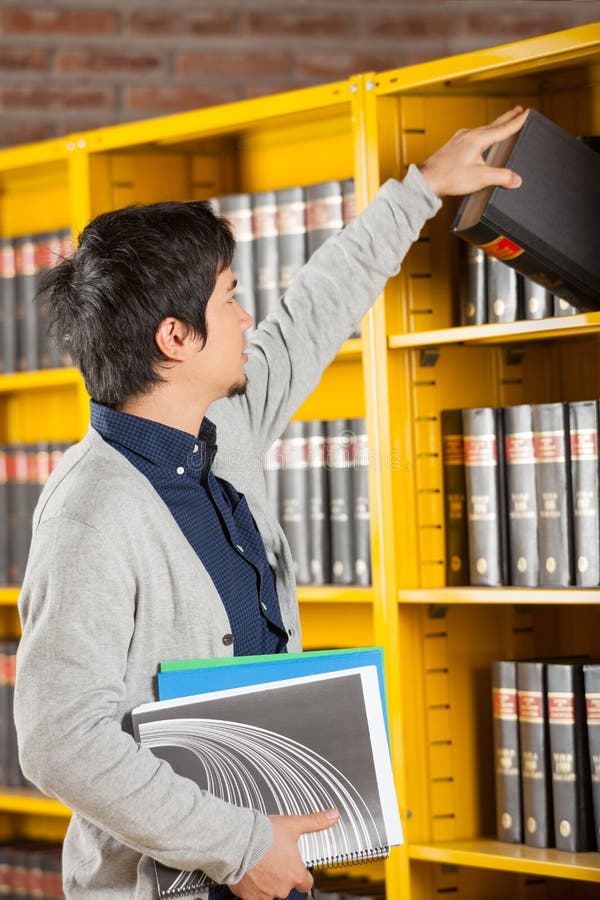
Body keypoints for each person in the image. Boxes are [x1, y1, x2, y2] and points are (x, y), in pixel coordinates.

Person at [14, 106, 528, 900]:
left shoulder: (226, 423)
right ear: (176, 338)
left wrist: (424, 188)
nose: (249, 317)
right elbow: (58, 742)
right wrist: (241, 843)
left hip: (265, 867)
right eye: (230, 300)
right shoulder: (93, 514)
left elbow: (315, 311)